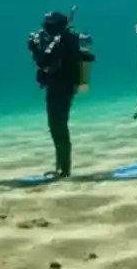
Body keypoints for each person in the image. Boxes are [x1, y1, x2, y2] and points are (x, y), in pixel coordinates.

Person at [28, 11, 82, 178]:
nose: (44, 28)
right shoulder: (64, 38)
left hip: (61, 88)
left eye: (48, 24)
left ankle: (64, 169)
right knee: (57, 127)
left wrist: (34, 47)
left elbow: (44, 60)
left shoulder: (61, 40)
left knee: (58, 127)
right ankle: (62, 166)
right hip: (59, 87)